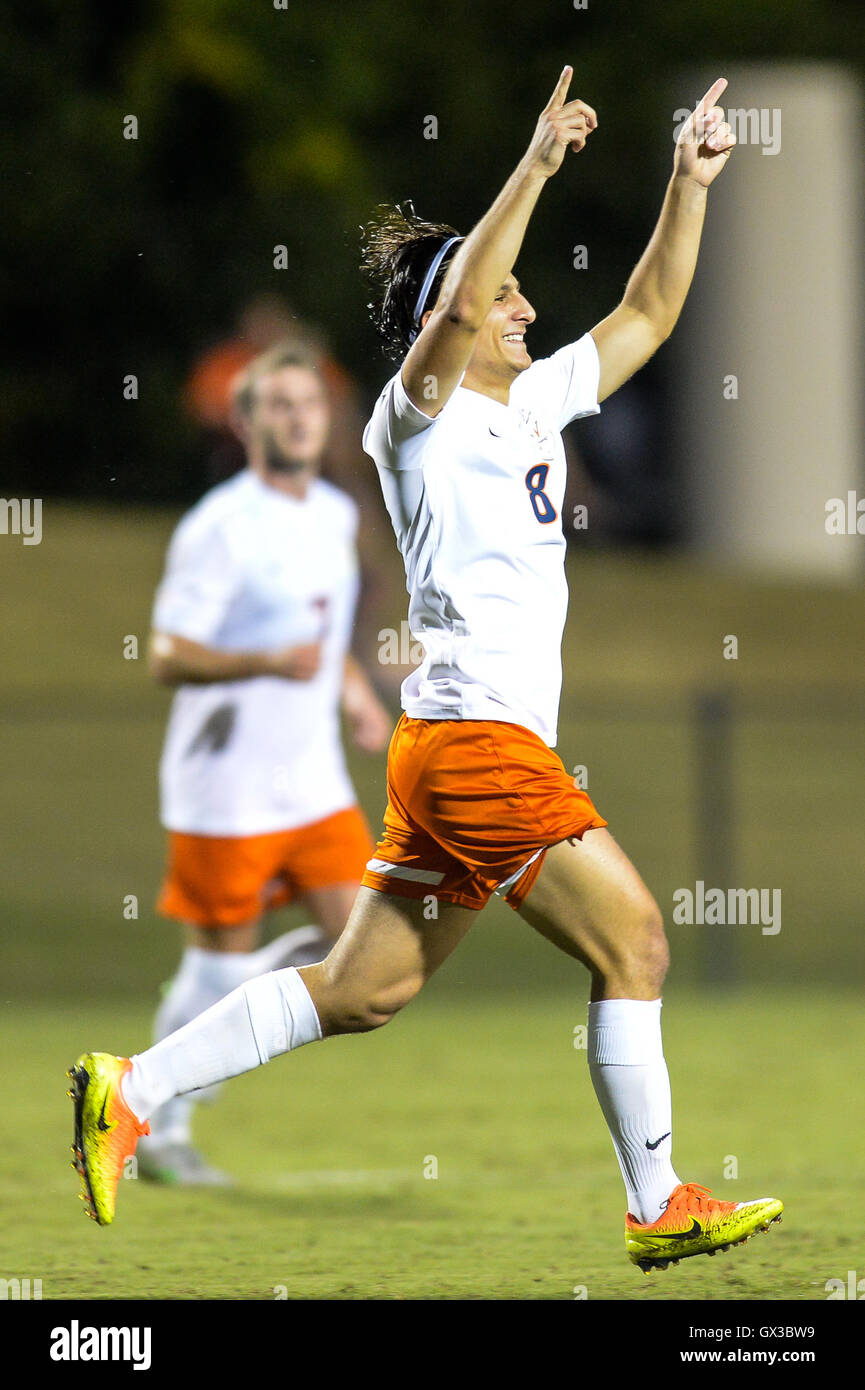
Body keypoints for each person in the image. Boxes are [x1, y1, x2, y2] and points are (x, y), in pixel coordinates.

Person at [69, 69, 782, 1272]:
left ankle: (130, 1087)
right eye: (505, 289)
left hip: (457, 744)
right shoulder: (416, 415)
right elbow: (452, 314)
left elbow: (650, 314)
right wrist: (537, 166)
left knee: (361, 991)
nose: (525, 304)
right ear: (452, 309)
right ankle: (656, 1204)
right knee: (638, 945)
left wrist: (687, 184)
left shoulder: (536, 402)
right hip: (477, 744)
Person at [134, 338, 391, 1184]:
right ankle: (151, 1124)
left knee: (361, 948)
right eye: (277, 404)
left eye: (308, 403)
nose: (296, 417)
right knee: (213, 966)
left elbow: (318, 633)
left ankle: (234, 1012)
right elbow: (167, 655)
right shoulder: (218, 527)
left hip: (311, 783)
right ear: (244, 422)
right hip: (226, 789)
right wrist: (265, 664)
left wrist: (352, 690)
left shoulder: (334, 514)